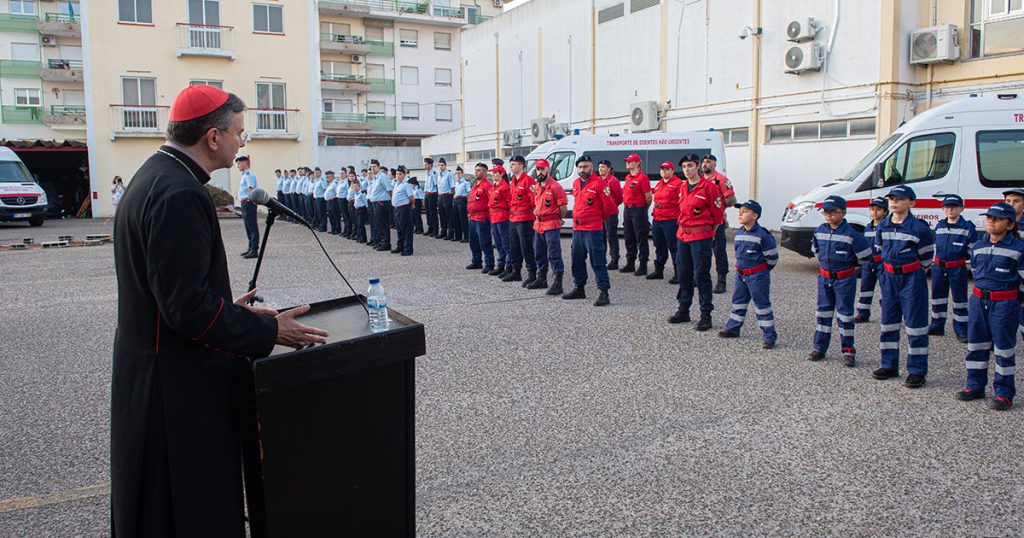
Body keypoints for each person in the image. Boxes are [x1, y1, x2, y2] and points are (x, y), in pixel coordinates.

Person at [111, 85, 328, 537]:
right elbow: (187, 309)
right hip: (175, 387)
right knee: (186, 507)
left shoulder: (155, 175)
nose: (241, 143)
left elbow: (171, 290)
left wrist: (230, 311)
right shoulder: (180, 193)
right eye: (239, 134)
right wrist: (268, 332)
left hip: (155, 369)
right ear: (213, 136)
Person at [958, 202, 1024, 411]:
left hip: (1004, 303)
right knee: (976, 345)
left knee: (1003, 349)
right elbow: (976, 271)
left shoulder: (1019, 249)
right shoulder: (978, 246)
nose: (991, 222)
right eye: (989, 218)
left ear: (1010, 225)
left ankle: (1004, 393)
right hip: (979, 301)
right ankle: (975, 385)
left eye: (997, 219)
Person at [873, 185, 935, 388]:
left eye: (899, 199)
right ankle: (889, 365)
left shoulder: (919, 228)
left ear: (911, 203)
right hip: (889, 278)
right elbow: (880, 250)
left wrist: (913, 272)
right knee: (888, 323)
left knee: (915, 326)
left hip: (911, 278)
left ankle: (917, 371)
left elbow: (926, 258)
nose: (894, 202)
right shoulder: (883, 226)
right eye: (891, 198)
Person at [808, 196, 873, 367]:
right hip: (825, 278)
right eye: (825, 212)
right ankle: (819, 347)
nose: (828, 216)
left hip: (844, 280)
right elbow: (816, 250)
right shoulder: (820, 231)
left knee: (845, 315)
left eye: (833, 212)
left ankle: (848, 350)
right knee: (823, 314)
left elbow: (865, 257)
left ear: (843, 213)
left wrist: (847, 267)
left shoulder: (852, 234)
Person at [669, 154, 724, 330]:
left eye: (690, 166)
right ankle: (683, 309)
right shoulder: (682, 186)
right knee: (684, 274)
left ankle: (706, 314)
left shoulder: (709, 187)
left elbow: (718, 216)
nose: (687, 169)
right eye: (684, 166)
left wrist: (709, 233)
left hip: (700, 237)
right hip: (683, 236)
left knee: (701, 275)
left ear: (698, 166)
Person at [718, 200, 778, 348]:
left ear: (755, 216)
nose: (740, 214)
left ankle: (769, 335)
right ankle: (733, 327)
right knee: (738, 302)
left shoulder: (763, 235)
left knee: (762, 305)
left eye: (744, 212)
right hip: (741, 275)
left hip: (757, 276)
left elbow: (772, 258)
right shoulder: (739, 232)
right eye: (740, 211)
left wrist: (761, 271)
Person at [562, 155, 616, 307]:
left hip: (593, 229)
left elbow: (609, 207)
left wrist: (596, 218)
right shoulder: (576, 183)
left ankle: (603, 292)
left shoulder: (599, 184)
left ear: (591, 167)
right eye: (580, 167)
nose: (582, 170)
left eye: (585, 167)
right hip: (578, 229)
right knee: (577, 260)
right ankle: (579, 288)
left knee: (597, 260)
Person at [929, 194, 978, 342]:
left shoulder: (968, 228)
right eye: (947, 207)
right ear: (943, 209)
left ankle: (962, 329)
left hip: (957, 268)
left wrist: (976, 271)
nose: (950, 210)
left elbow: (975, 252)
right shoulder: (940, 226)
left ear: (961, 209)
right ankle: (937, 325)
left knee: (960, 300)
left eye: (954, 207)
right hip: (939, 268)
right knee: (937, 298)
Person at [528, 158, 568, 295]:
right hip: (538, 224)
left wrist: (558, 219)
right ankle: (542, 278)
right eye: (538, 169)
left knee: (553, 253)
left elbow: (563, 208)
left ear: (548, 169)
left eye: (542, 169)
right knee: (539, 252)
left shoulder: (556, 187)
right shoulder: (537, 186)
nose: (540, 172)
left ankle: (558, 282)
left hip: (551, 224)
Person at [702, 154, 737, 294]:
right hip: (702, 222)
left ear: (714, 164)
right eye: (704, 162)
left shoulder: (721, 179)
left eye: (708, 162)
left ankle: (721, 280)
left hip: (716, 221)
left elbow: (731, 200)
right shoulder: (700, 179)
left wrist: (719, 208)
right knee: (701, 251)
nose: (705, 164)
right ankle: (700, 278)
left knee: (719, 251)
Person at [504, 155, 537, 283]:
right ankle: (516, 271)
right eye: (511, 164)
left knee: (526, 247)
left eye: (514, 164)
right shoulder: (513, 180)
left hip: (524, 218)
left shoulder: (528, 181)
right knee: (514, 247)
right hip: (513, 218)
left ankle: (532, 273)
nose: (511, 167)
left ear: (521, 165)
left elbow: (533, 200)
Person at [854, 197, 888, 323]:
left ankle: (887, 315)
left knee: (886, 289)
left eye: (878, 209)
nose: (875, 212)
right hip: (868, 264)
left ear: (885, 212)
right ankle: (862, 313)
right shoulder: (868, 227)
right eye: (872, 209)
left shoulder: (887, 227)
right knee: (865, 289)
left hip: (882, 263)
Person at [647, 162, 681, 283]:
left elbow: (682, 202)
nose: (664, 172)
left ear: (672, 171)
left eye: (667, 169)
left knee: (673, 247)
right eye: (662, 169)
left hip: (671, 220)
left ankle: (678, 272)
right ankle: (659, 270)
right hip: (658, 219)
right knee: (659, 245)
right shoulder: (659, 184)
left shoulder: (678, 184)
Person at [619, 153, 652, 276]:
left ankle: (643, 265)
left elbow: (648, 197)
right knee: (629, 237)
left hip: (638, 209)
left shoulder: (642, 178)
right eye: (627, 161)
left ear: (637, 163)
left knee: (641, 238)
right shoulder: (628, 177)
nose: (627, 163)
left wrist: (642, 209)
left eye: (630, 161)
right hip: (627, 209)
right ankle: (630, 262)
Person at [466, 162, 495, 272]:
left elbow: (491, 202)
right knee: (473, 242)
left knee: (485, 242)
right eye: (475, 170)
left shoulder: (487, 185)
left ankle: (489, 264)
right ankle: (476, 261)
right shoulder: (475, 184)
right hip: (473, 217)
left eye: (479, 170)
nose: (476, 172)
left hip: (482, 218)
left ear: (485, 172)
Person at [487, 165, 513, 277]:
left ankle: (509, 266)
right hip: (494, 216)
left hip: (502, 217)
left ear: (501, 174)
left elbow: (510, 203)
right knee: (498, 243)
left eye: (495, 173)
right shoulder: (493, 187)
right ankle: (501, 265)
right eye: (492, 173)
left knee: (506, 243)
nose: (493, 175)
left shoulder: (505, 187)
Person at [598, 159, 623, 270]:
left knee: (611, 236)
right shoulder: (598, 180)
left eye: (603, 167)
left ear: (609, 169)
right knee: (601, 237)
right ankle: (601, 258)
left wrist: (611, 205)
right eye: (599, 167)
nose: (600, 169)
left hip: (611, 214)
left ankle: (614, 259)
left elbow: (619, 198)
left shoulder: (613, 181)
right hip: (600, 214)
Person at [235, 155, 259, 259]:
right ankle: (250, 247)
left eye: (239, 163)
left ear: (245, 163)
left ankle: (254, 249)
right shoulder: (245, 175)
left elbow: (251, 190)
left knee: (252, 226)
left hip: (249, 202)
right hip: (245, 202)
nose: (238, 166)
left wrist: (252, 201)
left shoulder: (249, 175)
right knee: (248, 226)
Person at [368, 160, 393, 251]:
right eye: (371, 167)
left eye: (374, 166)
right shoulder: (375, 177)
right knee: (377, 224)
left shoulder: (382, 177)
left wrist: (392, 201)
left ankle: (385, 243)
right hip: (375, 203)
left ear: (378, 167)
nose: (373, 168)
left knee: (383, 224)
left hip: (382, 203)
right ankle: (380, 242)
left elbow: (389, 190)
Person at [391, 166, 415, 256]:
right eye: (397, 174)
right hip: (397, 208)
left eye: (400, 174)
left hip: (404, 208)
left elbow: (411, 197)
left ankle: (408, 248)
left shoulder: (406, 185)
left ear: (404, 175)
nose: (398, 176)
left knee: (406, 229)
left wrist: (410, 204)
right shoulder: (396, 184)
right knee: (399, 229)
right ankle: (400, 246)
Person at [437, 158, 455, 239]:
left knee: (449, 216)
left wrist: (453, 198)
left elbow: (452, 187)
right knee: (442, 216)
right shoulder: (438, 175)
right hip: (440, 196)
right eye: (439, 165)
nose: (441, 167)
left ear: (445, 165)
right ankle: (443, 232)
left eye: (442, 165)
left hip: (447, 196)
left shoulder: (449, 174)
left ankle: (450, 233)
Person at [423, 158, 440, 236]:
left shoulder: (434, 173)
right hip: (427, 194)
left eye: (426, 164)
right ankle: (430, 228)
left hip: (432, 194)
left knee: (433, 213)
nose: (425, 165)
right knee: (428, 213)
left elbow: (436, 185)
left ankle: (435, 230)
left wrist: (437, 196)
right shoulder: (427, 173)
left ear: (430, 165)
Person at [453, 166, 469, 242]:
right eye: (456, 173)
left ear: (462, 174)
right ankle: (458, 236)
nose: (458, 175)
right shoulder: (456, 183)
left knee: (463, 220)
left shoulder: (466, 183)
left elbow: (469, 193)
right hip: (456, 200)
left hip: (462, 200)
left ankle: (466, 237)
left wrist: (469, 203)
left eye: (459, 173)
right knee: (456, 219)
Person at [352, 179, 368, 243]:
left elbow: (366, 202)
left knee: (361, 224)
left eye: (356, 186)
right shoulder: (355, 194)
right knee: (358, 224)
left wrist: (367, 210)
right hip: (357, 209)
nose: (355, 188)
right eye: (354, 186)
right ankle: (359, 237)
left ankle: (363, 238)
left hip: (362, 210)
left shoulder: (362, 193)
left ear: (359, 186)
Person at [324, 171, 340, 235]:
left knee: (335, 215)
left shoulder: (335, 183)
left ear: (332, 176)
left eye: (328, 177)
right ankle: (333, 229)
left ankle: (337, 229)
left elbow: (337, 193)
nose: (327, 178)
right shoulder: (330, 183)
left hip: (333, 201)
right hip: (329, 202)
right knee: (330, 216)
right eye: (326, 177)